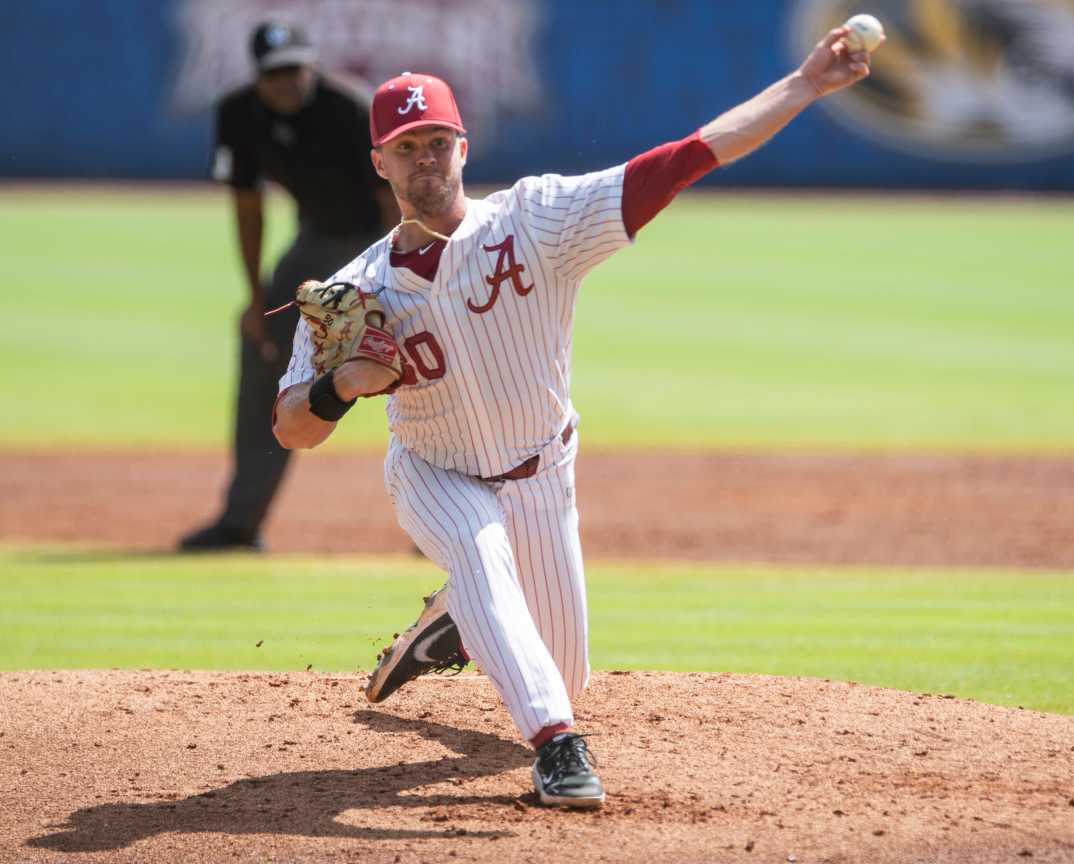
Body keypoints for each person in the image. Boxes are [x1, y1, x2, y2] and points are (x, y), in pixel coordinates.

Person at [274, 26, 879, 807]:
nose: (424, 157)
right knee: (483, 556)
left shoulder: (539, 221)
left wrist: (804, 85)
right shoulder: (358, 292)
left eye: (436, 141)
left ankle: (455, 621)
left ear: (464, 145)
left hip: (543, 470)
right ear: (379, 162)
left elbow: (690, 156)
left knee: (563, 668)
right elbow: (293, 427)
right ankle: (559, 747)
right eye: (405, 145)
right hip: (434, 471)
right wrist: (342, 387)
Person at [179, 21, 400, 551]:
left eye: (294, 69)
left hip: (376, 237)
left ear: (311, 64)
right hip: (314, 239)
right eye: (274, 73)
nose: (286, 81)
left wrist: (404, 281)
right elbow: (248, 204)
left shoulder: (349, 107)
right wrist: (257, 300)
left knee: (421, 362)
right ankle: (240, 521)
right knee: (262, 350)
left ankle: (449, 521)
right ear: (256, 77)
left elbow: (393, 201)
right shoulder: (238, 113)